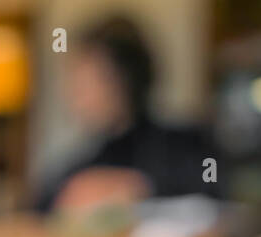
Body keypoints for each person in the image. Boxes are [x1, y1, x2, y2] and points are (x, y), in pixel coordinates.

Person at [36, 17, 219, 213]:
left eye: (86, 83)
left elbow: (214, 190)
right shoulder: (82, 167)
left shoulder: (189, 146)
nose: (73, 95)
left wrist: (139, 187)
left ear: (123, 81)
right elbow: (39, 206)